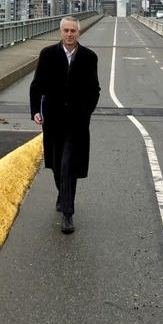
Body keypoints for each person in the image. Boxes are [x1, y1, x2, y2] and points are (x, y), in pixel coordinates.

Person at [29, 17, 100, 234]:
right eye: (66, 31)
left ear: (78, 33)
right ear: (60, 32)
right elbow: (36, 86)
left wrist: (87, 111)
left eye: (73, 31)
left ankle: (68, 214)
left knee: (69, 163)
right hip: (53, 118)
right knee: (57, 164)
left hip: (77, 121)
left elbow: (94, 89)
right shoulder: (48, 55)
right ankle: (62, 193)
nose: (69, 34)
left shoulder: (89, 57)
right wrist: (35, 111)